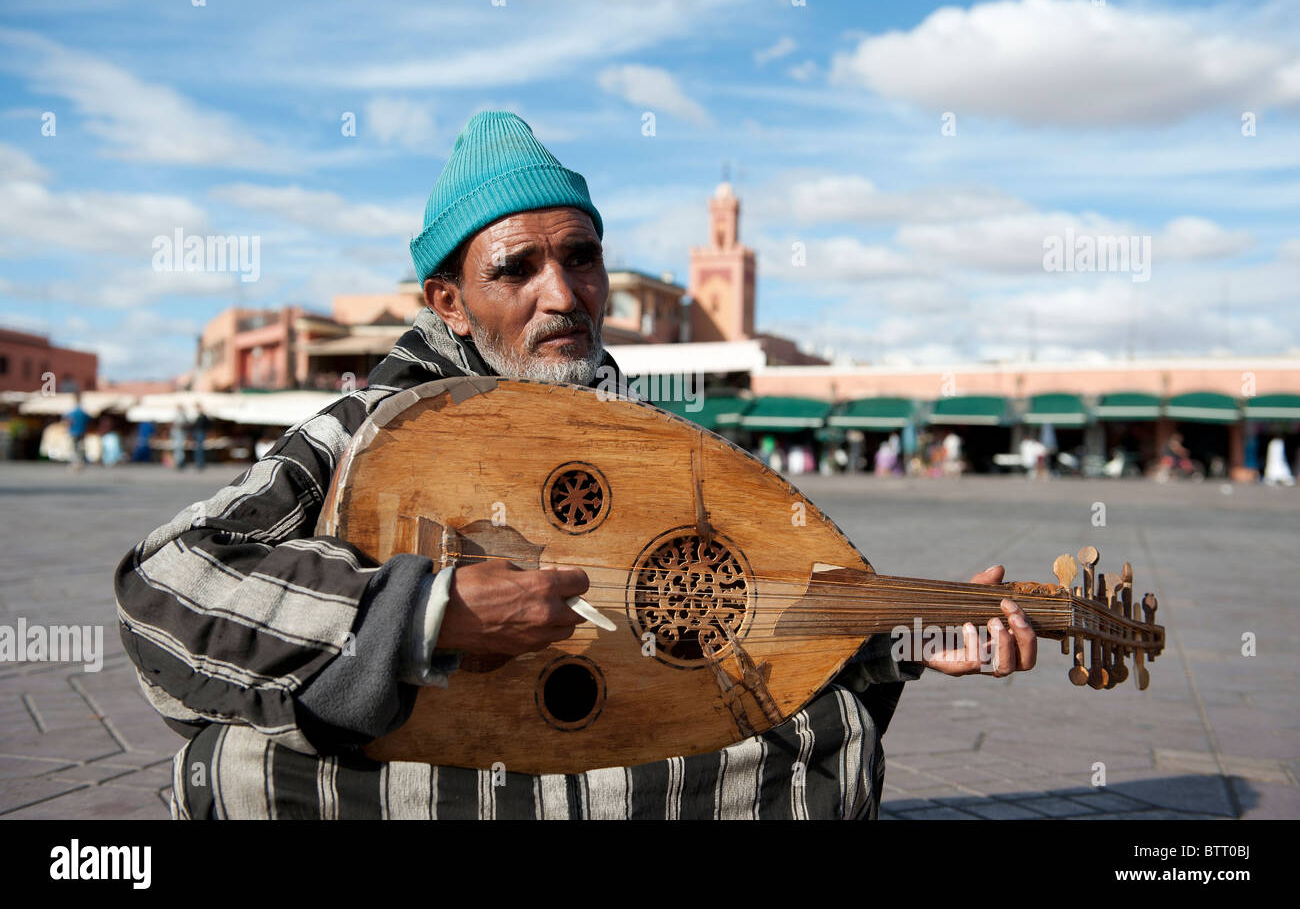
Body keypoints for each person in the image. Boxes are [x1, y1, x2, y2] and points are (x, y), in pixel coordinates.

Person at [114, 111, 1036, 821]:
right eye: (518, 269)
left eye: (582, 258)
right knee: (241, 772)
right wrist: (424, 612)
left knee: (826, 738)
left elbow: (737, 628)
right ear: (452, 300)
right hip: (439, 760)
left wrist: (901, 641)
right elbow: (168, 577)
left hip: (617, 749)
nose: (563, 295)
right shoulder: (371, 426)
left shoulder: (659, 444)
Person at [65, 393, 90, 472]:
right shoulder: (83, 412)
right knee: (80, 448)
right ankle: (80, 463)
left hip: (73, 432)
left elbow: (67, 421)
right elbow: (88, 421)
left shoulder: (72, 412)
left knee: (75, 448)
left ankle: (75, 464)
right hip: (82, 432)